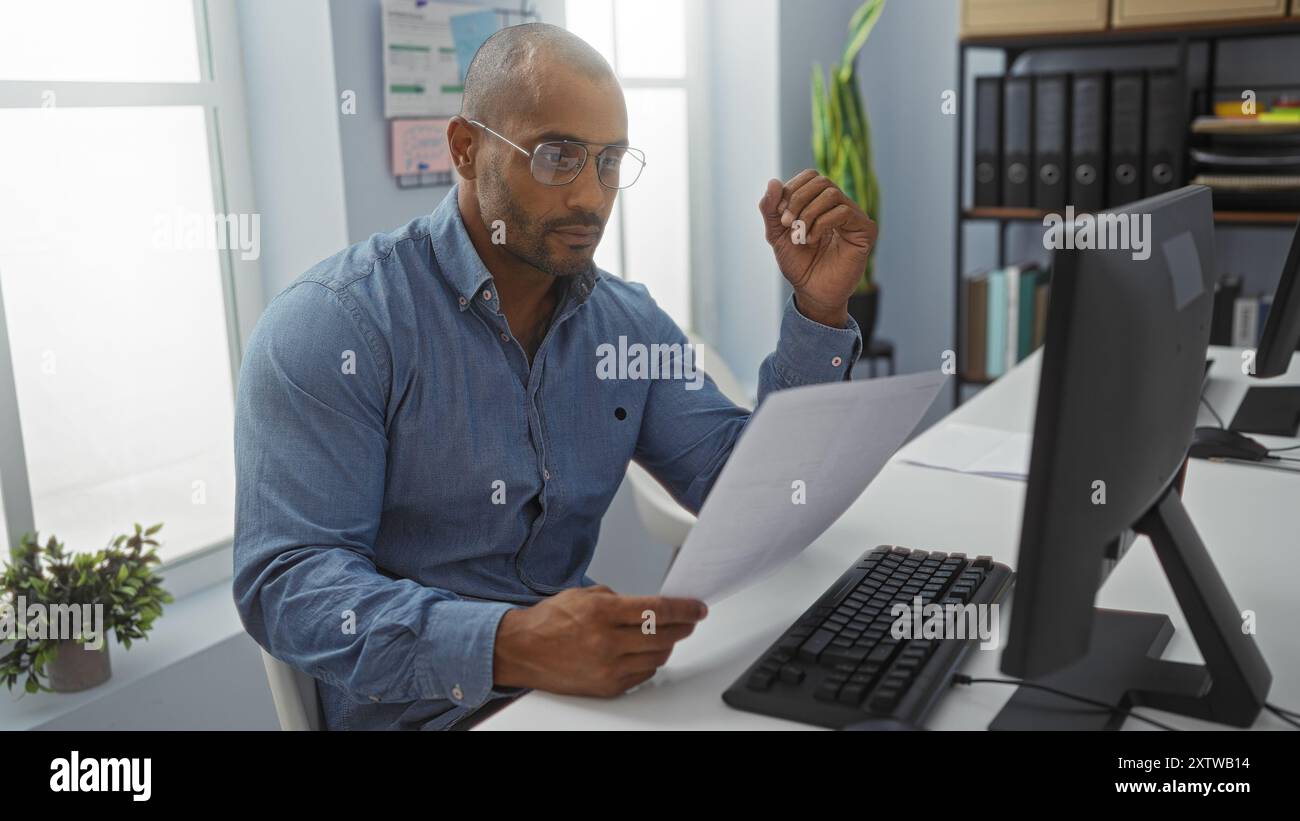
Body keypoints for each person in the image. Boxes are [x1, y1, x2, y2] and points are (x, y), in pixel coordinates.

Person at [232, 22, 877, 730]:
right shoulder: (338, 326)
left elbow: (757, 497)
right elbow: (289, 586)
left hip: (588, 703)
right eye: (557, 157)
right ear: (464, 147)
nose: (590, 198)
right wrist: (511, 644)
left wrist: (819, 307)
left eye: (610, 161)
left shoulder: (626, 324)